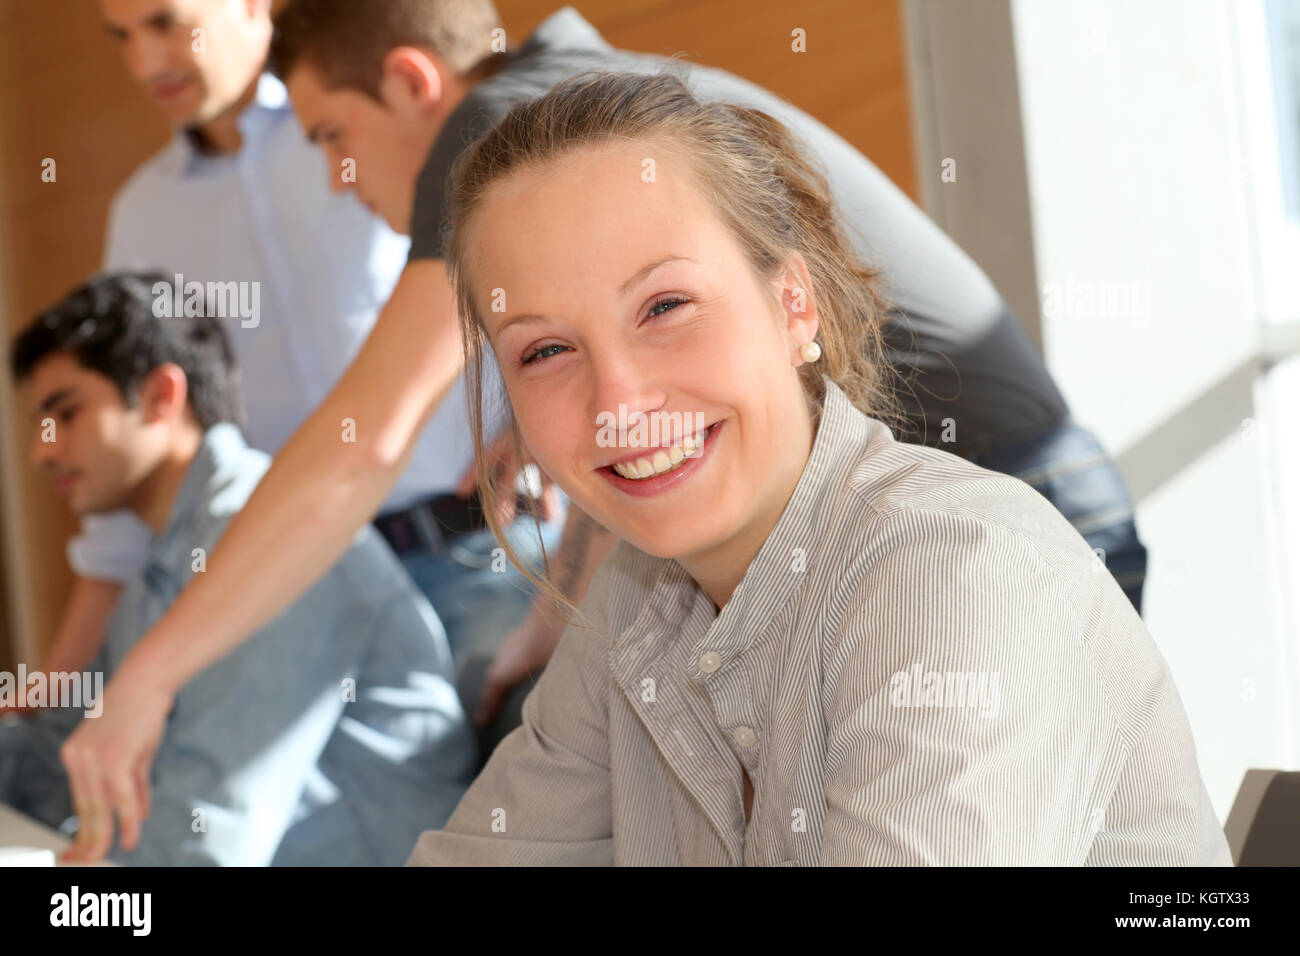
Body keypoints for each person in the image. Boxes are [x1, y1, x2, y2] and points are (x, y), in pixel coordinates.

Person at [56, 0, 1146, 862]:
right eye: (540, 351)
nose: (348, 189)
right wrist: (556, 611)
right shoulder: (642, 604)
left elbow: (364, 436)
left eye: (336, 138)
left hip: (1003, 494)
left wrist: (146, 677)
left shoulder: (514, 133)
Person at [407, 71, 1228, 866]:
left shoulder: (952, 574)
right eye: (546, 350)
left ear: (793, 303)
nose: (617, 399)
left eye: (665, 307)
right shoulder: (636, 602)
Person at [59, 0, 561, 708]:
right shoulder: (141, 217)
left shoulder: (366, 117)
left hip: (489, 549)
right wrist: (62, 677)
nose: (147, 64)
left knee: (538, 769)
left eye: (168, 23)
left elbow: (525, 267)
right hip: (307, 602)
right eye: (123, 37)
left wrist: (552, 405)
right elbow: (133, 447)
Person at [5, 272, 476, 865]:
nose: (41, 452)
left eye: (64, 414)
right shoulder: (163, 561)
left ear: (161, 397)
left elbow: (203, 841)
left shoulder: (265, 543)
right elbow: (62, 762)